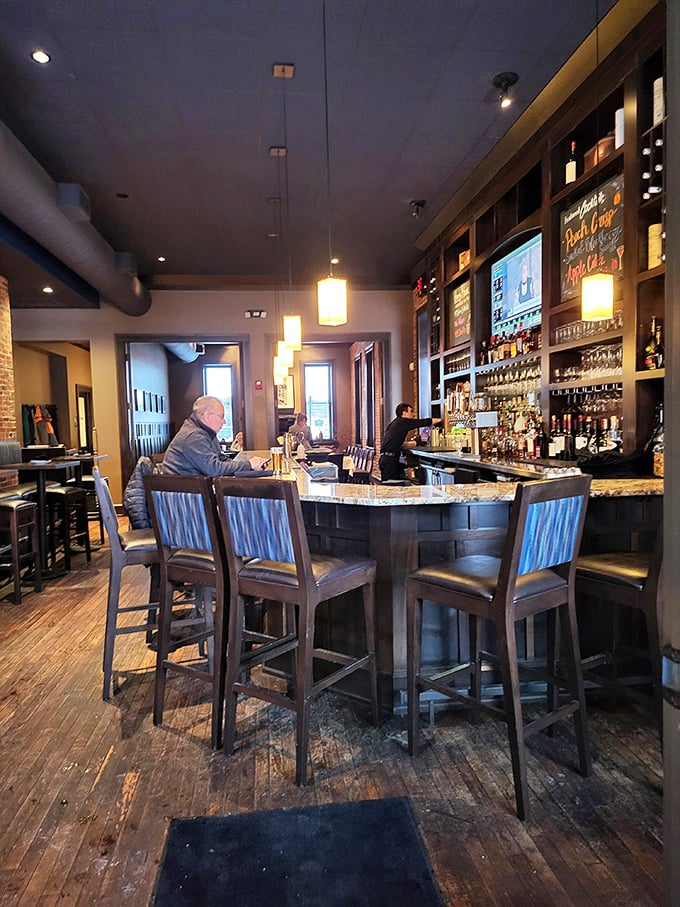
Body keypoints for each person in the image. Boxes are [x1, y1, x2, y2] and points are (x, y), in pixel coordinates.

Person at [163, 396, 269, 476]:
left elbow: (221, 459)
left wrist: (250, 466)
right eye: (221, 416)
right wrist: (249, 464)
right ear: (207, 416)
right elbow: (214, 469)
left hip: (194, 492)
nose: (224, 421)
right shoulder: (194, 436)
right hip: (184, 498)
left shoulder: (205, 432)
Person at [379, 404, 442, 482]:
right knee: (392, 487)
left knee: (389, 486)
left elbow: (390, 442)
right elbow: (423, 422)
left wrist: (408, 444)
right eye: (411, 411)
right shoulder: (403, 422)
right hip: (390, 461)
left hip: (385, 460)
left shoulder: (394, 423)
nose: (413, 414)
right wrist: (442, 419)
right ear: (404, 413)